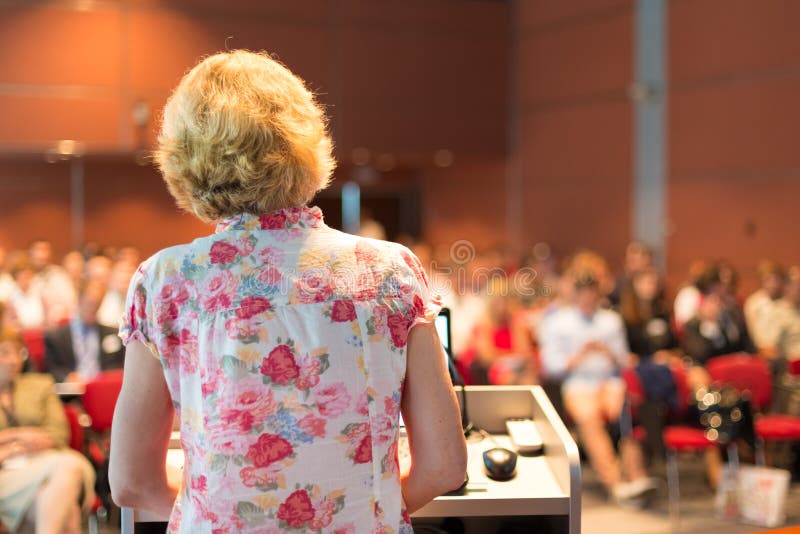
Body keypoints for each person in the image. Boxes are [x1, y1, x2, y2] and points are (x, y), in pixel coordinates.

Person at [109, 50, 466, 533]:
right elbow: (444, 465)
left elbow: (131, 482)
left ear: (185, 159)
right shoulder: (389, 271)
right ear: (305, 142)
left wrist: (220, 512)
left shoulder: (164, 282)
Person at [539, 272, 656, 505]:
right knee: (589, 415)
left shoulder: (610, 320)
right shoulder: (557, 321)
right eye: (582, 294)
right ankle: (615, 483)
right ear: (574, 294)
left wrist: (607, 352)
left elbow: (624, 359)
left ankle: (637, 476)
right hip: (578, 383)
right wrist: (581, 354)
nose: (587, 299)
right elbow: (551, 367)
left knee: (624, 413)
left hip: (609, 381)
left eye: (591, 294)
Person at [0, 327, 95, 534]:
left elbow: (59, 433)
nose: (13, 360)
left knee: (67, 468)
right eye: (5, 352)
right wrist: (20, 437)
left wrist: (9, 446)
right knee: (67, 510)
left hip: (48, 460)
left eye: (18, 352)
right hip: (5, 476)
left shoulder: (40, 385)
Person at [44, 281, 125, 384]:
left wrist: (103, 379)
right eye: (89, 303)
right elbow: (52, 370)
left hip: (102, 388)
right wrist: (68, 377)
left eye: (97, 304)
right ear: (79, 301)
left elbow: (117, 367)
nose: (93, 309)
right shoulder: (56, 337)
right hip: (73, 392)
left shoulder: (113, 334)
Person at [29, 240, 76, 327]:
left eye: (45, 250)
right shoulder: (26, 276)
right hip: (31, 328)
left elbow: (71, 303)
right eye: (38, 250)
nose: (41, 255)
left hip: (55, 326)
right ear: (31, 254)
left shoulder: (59, 276)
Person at [744, 260, 787, 354]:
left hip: (784, 351)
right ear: (761, 281)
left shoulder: (787, 302)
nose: (772, 284)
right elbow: (752, 335)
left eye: (776, 279)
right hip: (761, 351)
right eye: (768, 280)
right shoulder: (753, 303)